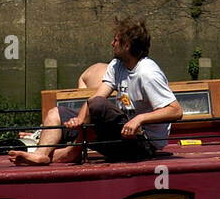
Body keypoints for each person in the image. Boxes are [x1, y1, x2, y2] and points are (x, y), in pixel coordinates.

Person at [10, 19, 181, 165]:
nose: (111, 44)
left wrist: (139, 119)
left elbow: (175, 111)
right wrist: (79, 120)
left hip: (142, 143)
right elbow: (97, 97)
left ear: (127, 45)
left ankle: (71, 152)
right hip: (121, 135)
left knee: (99, 106)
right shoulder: (117, 65)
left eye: (116, 40)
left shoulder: (147, 73)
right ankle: (42, 155)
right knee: (56, 113)